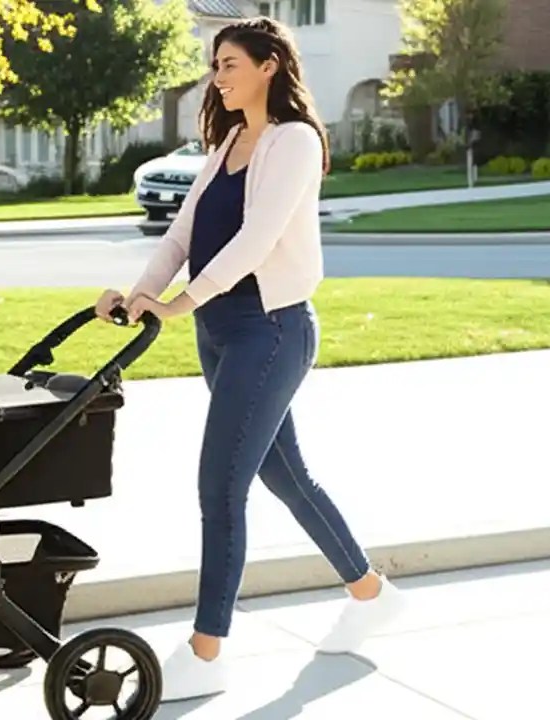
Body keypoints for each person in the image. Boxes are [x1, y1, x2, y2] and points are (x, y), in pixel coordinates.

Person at [95, 17, 405, 702]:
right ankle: (370, 592)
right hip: (222, 334)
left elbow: (258, 238)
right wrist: (142, 294)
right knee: (288, 477)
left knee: (221, 487)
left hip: (270, 331)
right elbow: (181, 235)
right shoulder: (228, 142)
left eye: (230, 63)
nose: (218, 77)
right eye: (215, 65)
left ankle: (206, 652)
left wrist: (182, 301)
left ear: (269, 66)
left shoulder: (295, 141)